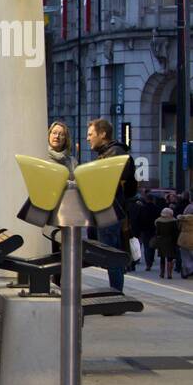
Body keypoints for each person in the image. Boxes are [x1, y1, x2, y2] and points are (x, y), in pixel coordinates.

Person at [86, 118, 138, 292]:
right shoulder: (110, 152)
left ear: (102, 134)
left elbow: (106, 184)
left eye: (90, 134)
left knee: (111, 255)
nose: (88, 138)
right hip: (107, 211)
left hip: (109, 211)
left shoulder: (114, 153)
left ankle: (115, 293)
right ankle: (115, 292)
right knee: (107, 254)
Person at [129, 191, 159, 273]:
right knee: (152, 246)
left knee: (146, 247)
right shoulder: (156, 208)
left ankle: (147, 263)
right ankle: (150, 261)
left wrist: (139, 229)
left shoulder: (143, 208)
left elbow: (139, 219)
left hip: (144, 230)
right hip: (153, 229)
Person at [154, 207, 179, 279]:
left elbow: (157, 232)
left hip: (161, 241)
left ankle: (162, 273)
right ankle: (169, 274)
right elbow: (175, 233)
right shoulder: (173, 222)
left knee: (162, 257)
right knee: (170, 258)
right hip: (170, 241)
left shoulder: (158, 221)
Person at [177, 206, 193, 279]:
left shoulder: (182, 219)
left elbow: (179, 228)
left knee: (185, 256)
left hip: (184, 239)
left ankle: (188, 270)